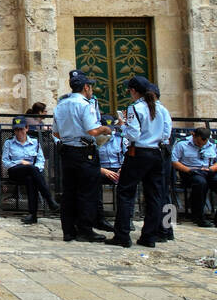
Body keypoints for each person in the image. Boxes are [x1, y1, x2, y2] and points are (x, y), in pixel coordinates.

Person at [108, 75, 171, 248]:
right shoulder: (162, 109)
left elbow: (133, 134)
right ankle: (149, 236)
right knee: (154, 195)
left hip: (139, 153)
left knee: (126, 192)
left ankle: (122, 234)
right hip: (156, 153)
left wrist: (122, 126)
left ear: (134, 91)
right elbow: (166, 134)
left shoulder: (135, 108)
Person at [53, 69, 110, 243]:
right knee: (87, 191)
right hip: (85, 152)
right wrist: (105, 129)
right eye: (90, 87)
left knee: (69, 192)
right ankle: (85, 229)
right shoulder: (86, 105)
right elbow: (92, 130)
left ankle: (68, 230)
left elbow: (56, 133)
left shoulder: (61, 104)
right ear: (86, 88)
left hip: (68, 151)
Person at [1, 117, 58, 225]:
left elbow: (41, 160)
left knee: (31, 178)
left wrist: (35, 169)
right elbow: (5, 162)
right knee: (31, 169)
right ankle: (50, 200)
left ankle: (33, 215)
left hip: (31, 173)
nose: (19, 132)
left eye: (21, 129)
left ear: (26, 128)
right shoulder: (9, 143)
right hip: (15, 171)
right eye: (16, 130)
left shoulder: (35, 142)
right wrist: (20, 162)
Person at [171, 126, 217, 227]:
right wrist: (189, 170)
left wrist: (211, 169)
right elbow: (174, 161)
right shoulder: (182, 143)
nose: (200, 146)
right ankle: (199, 217)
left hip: (209, 171)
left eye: (203, 144)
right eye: (198, 143)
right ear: (193, 135)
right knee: (200, 183)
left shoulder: (214, 143)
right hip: (190, 171)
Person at [95, 113, 123, 231]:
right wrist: (102, 170)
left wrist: (123, 169)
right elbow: (91, 161)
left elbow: (126, 156)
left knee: (128, 184)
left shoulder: (120, 139)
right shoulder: (95, 142)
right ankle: (100, 218)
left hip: (118, 169)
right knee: (93, 182)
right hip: (101, 170)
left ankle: (125, 218)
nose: (108, 133)